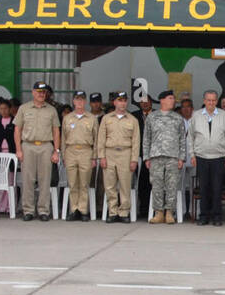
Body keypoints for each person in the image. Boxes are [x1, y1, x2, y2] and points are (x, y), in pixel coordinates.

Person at [15, 81, 60, 221]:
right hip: (28, 145)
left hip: (46, 146)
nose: (41, 94)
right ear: (33, 92)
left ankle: (43, 210)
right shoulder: (24, 108)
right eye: (39, 92)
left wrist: (56, 151)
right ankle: (28, 210)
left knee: (45, 179)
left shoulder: (51, 110)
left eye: (43, 92)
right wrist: (18, 149)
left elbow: (56, 131)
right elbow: (17, 130)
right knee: (28, 179)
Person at [144, 89, 187, 223]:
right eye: (170, 98)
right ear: (162, 100)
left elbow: (182, 140)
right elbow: (147, 138)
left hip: (173, 156)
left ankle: (169, 212)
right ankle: (159, 213)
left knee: (172, 185)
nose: (172, 101)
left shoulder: (178, 118)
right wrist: (146, 157)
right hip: (156, 156)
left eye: (173, 99)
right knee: (157, 185)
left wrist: (181, 157)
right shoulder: (152, 117)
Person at [190, 89, 225, 226]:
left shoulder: (224, 115)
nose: (211, 102)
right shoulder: (196, 116)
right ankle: (204, 216)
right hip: (201, 156)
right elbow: (190, 137)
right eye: (208, 100)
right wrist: (192, 154)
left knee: (217, 187)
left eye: (214, 100)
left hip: (218, 156)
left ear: (216, 101)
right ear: (204, 101)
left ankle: (217, 216)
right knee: (203, 188)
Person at [97, 90, 140, 223]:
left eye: (124, 101)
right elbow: (101, 139)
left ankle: (124, 212)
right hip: (110, 152)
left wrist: (134, 159)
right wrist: (101, 157)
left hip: (125, 153)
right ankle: (112, 211)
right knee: (109, 185)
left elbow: (136, 141)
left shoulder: (132, 120)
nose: (122, 103)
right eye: (120, 101)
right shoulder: (106, 118)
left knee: (125, 184)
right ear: (114, 102)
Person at [61, 90, 97, 221]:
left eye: (82, 99)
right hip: (71, 150)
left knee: (84, 182)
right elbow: (63, 138)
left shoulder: (92, 118)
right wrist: (64, 155)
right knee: (72, 182)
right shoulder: (67, 118)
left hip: (86, 151)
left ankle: (83, 210)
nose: (80, 102)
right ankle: (73, 209)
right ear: (73, 101)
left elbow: (96, 138)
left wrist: (94, 156)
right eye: (77, 99)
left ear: (85, 101)